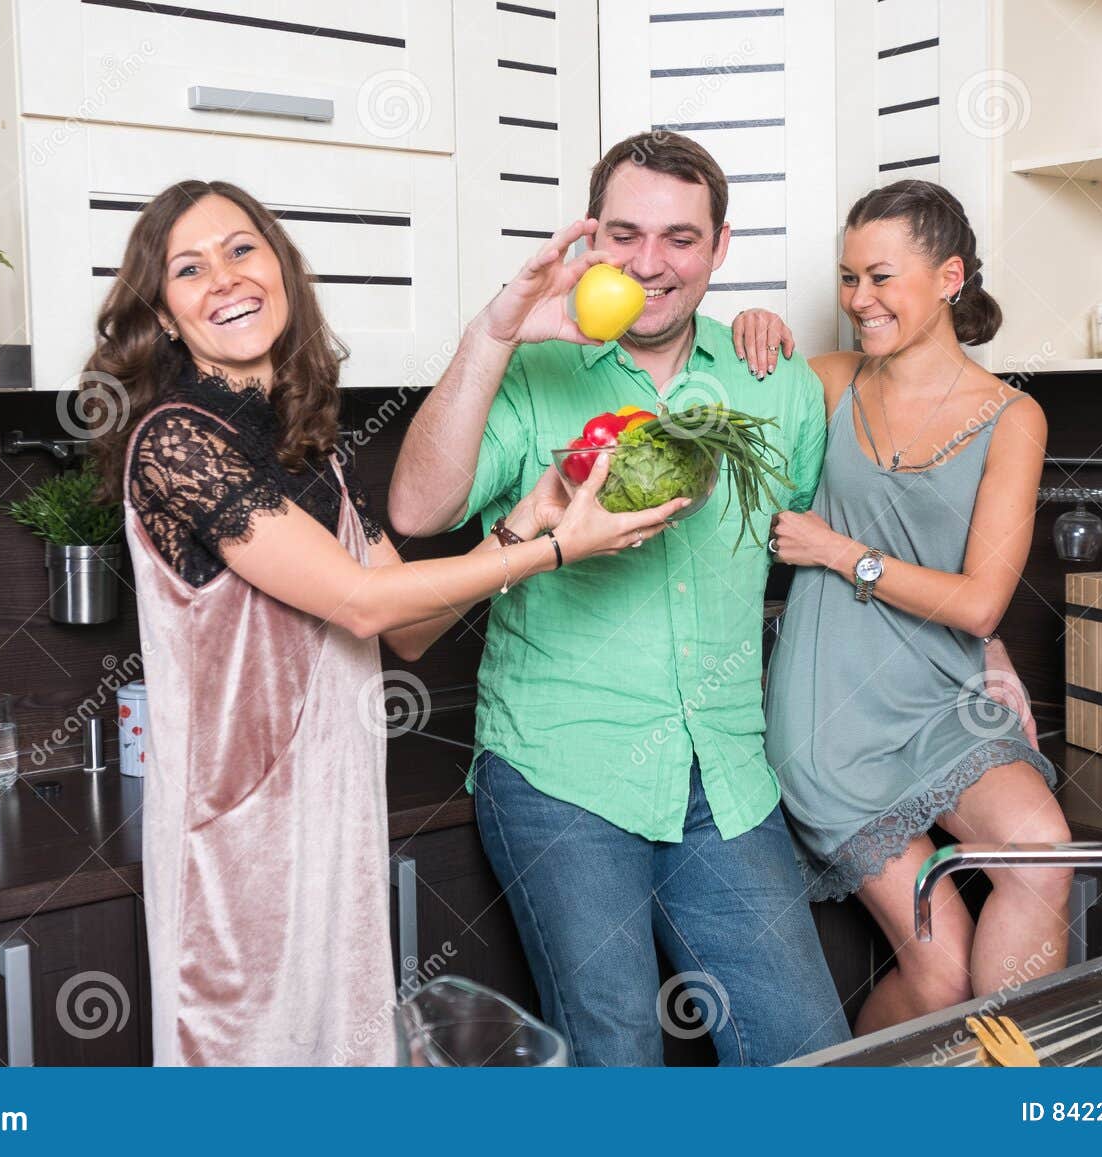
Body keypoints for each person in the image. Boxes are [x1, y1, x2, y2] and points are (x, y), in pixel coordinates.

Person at [87, 179, 684, 1066]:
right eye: (189, 268)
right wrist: (560, 554)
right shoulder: (177, 441)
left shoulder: (306, 449)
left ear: (282, 271)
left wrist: (532, 516)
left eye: (243, 249)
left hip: (335, 828)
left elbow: (405, 626)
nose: (224, 277)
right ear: (165, 316)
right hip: (239, 854)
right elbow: (360, 600)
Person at [388, 133, 850, 1066]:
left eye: (680, 238)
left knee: (808, 1051)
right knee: (618, 1048)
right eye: (626, 234)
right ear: (592, 241)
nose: (649, 263)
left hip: (723, 768)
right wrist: (497, 333)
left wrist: (982, 647)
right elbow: (415, 506)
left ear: (720, 248)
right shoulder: (532, 369)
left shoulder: (778, 387)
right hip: (563, 765)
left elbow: (800, 534)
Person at [731, 180, 1070, 1035]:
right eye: (848, 279)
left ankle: (1010, 1108)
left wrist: (839, 551)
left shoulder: (1012, 417)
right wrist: (751, 332)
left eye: (880, 277)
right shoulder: (832, 381)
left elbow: (983, 602)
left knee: (1044, 856)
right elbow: (717, 393)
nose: (858, 300)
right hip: (828, 708)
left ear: (950, 275)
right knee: (940, 967)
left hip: (944, 694)